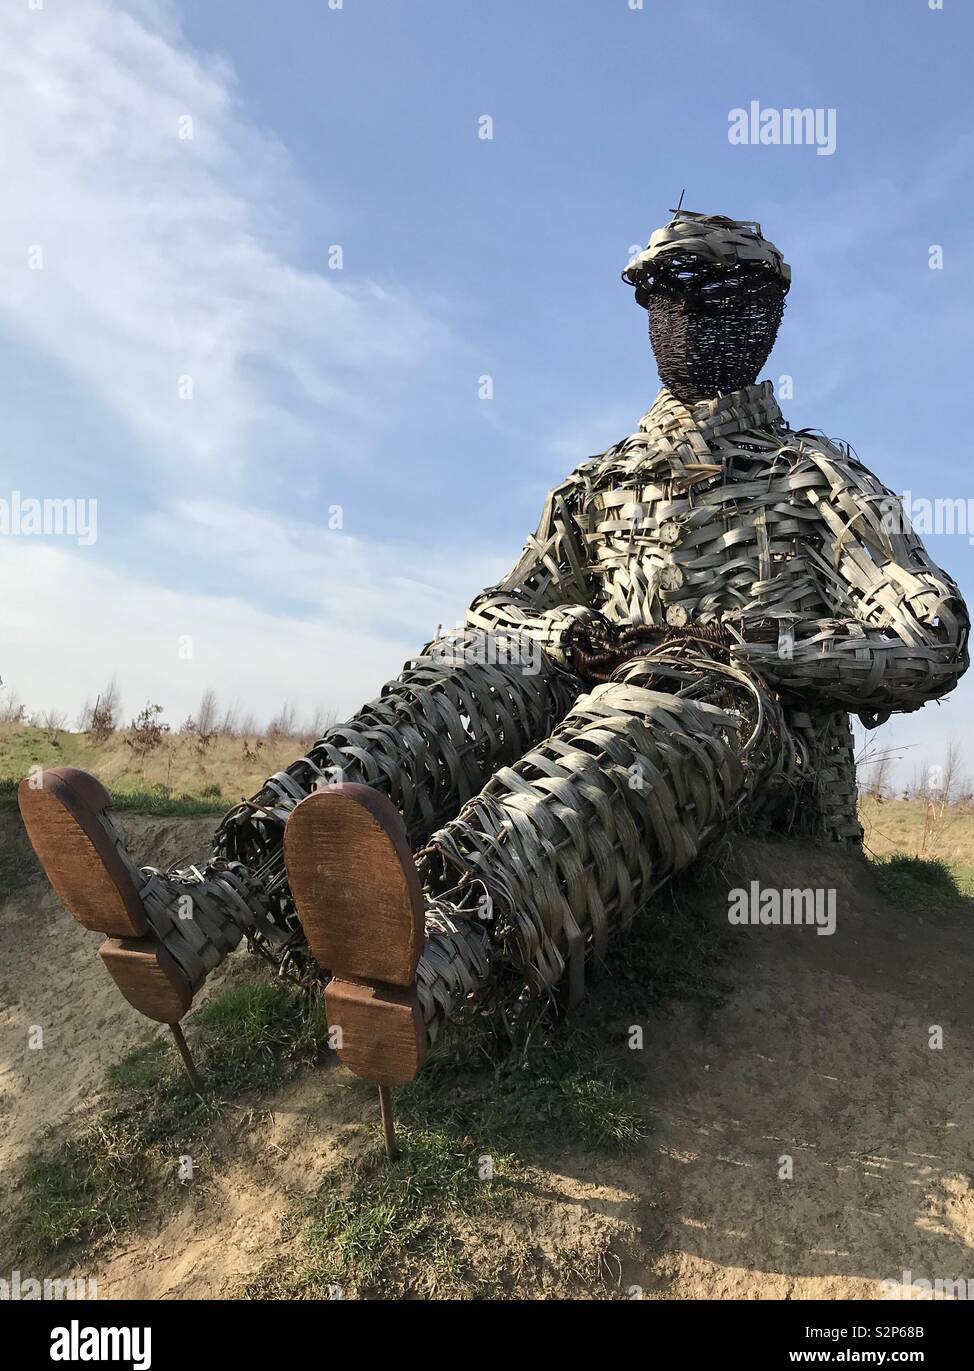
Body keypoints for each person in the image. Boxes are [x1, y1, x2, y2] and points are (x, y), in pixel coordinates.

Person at [20, 210, 968, 1088]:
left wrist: (748, 644)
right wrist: (571, 632)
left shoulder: (815, 478)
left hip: (746, 748)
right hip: (607, 701)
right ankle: (206, 908)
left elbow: (930, 636)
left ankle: (434, 951)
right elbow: (499, 605)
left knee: (664, 697)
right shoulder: (602, 482)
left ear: (765, 318)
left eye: (715, 296)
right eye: (665, 296)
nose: (685, 317)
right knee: (480, 666)